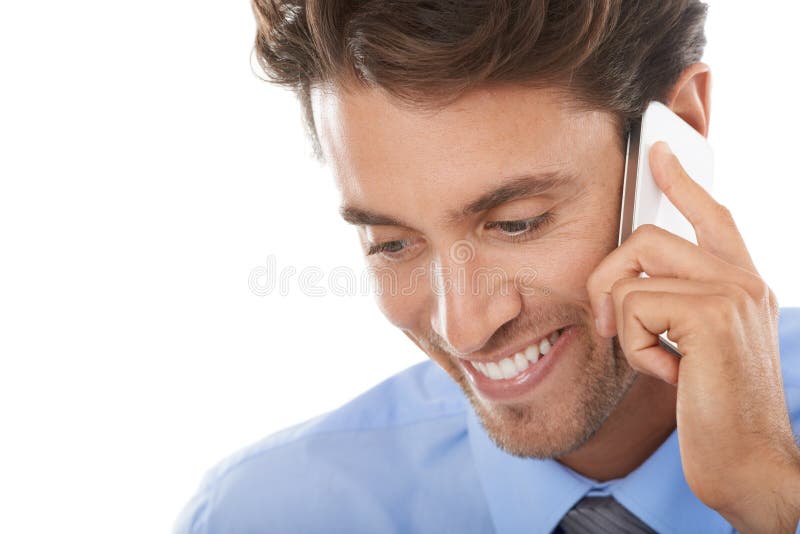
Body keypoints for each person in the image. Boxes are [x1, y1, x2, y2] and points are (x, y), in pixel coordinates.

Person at [175, 1, 800, 532]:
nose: (465, 327)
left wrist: (770, 501)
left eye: (516, 223)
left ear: (681, 133)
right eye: (392, 243)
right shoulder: (263, 516)